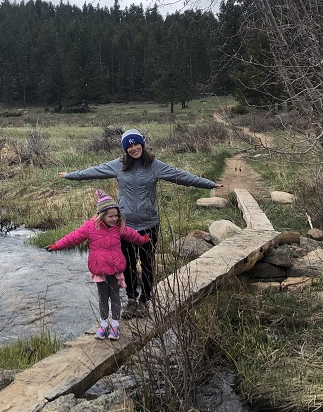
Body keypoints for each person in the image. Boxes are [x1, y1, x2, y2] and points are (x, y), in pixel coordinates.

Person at [59, 128, 223, 319]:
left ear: (142, 145)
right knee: (127, 264)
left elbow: (182, 176)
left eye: (136, 144)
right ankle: (131, 299)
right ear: (125, 149)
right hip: (124, 227)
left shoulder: (155, 165)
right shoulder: (118, 165)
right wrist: (71, 175)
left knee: (146, 263)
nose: (134, 148)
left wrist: (209, 184)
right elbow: (94, 171)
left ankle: (145, 300)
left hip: (149, 225)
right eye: (129, 146)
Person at [45, 189, 150, 341]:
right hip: (100, 270)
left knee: (115, 297)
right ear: (101, 215)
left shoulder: (119, 227)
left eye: (116, 216)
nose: (114, 219)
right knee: (102, 298)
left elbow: (133, 235)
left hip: (114, 269)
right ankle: (103, 325)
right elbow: (73, 238)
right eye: (111, 216)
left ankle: (115, 325)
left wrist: (143, 240)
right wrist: (57, 245)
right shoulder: (90, 227)